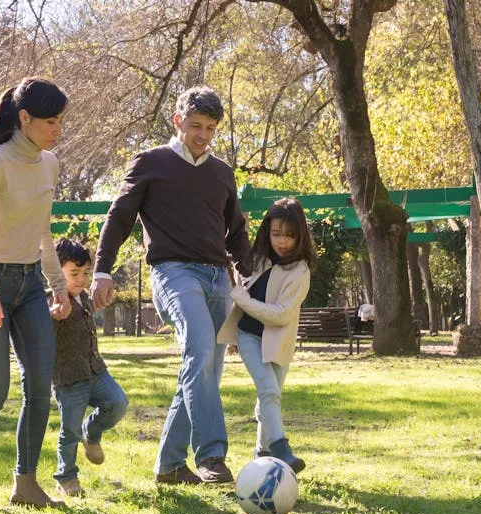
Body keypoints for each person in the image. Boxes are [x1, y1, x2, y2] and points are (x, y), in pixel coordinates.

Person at [90, 86, 251, 485]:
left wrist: (249, 277)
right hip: (173, 273)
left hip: (217, 277)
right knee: (199, 351)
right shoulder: (151, 162)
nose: (203, 135)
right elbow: (119, 217)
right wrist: (102, 269)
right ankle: (212, 455)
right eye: (196, 125)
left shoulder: (221, 173)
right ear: (178, 121)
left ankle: (169, 464)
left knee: (204, 370)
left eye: (211, 128)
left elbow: (237, 233)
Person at [0, 77, 71, 510]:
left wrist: (58, 286)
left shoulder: (50, 163)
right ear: (24, 118)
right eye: (50, 121)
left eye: (61, 121)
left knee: (41, 387)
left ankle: (26, 484)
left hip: (29, 287)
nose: (58, 129)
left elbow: (42, 230)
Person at [217, 198, 316, 473]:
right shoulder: (255, 259)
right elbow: (239, 279)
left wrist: (242, 299)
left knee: (269, 398)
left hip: (279, 343)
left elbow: (281, 314)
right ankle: (282, 449)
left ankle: (261, 455)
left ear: (300, 236)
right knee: (269, 390)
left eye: (289, 235)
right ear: (267, 232)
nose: (282, 241)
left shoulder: (300, 271)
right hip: (249, 336)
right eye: (276, 234)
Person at [50, 238, 129, 498]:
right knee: (69, 430)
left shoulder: (83, 296)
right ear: (54, 271)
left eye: (85, 273)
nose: (81, 279)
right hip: (69, 378)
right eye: (74, 273)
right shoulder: (48, 301)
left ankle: (91, 433)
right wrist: (51, 315)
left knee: (117, 403)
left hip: (96, 371)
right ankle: (66, 477)